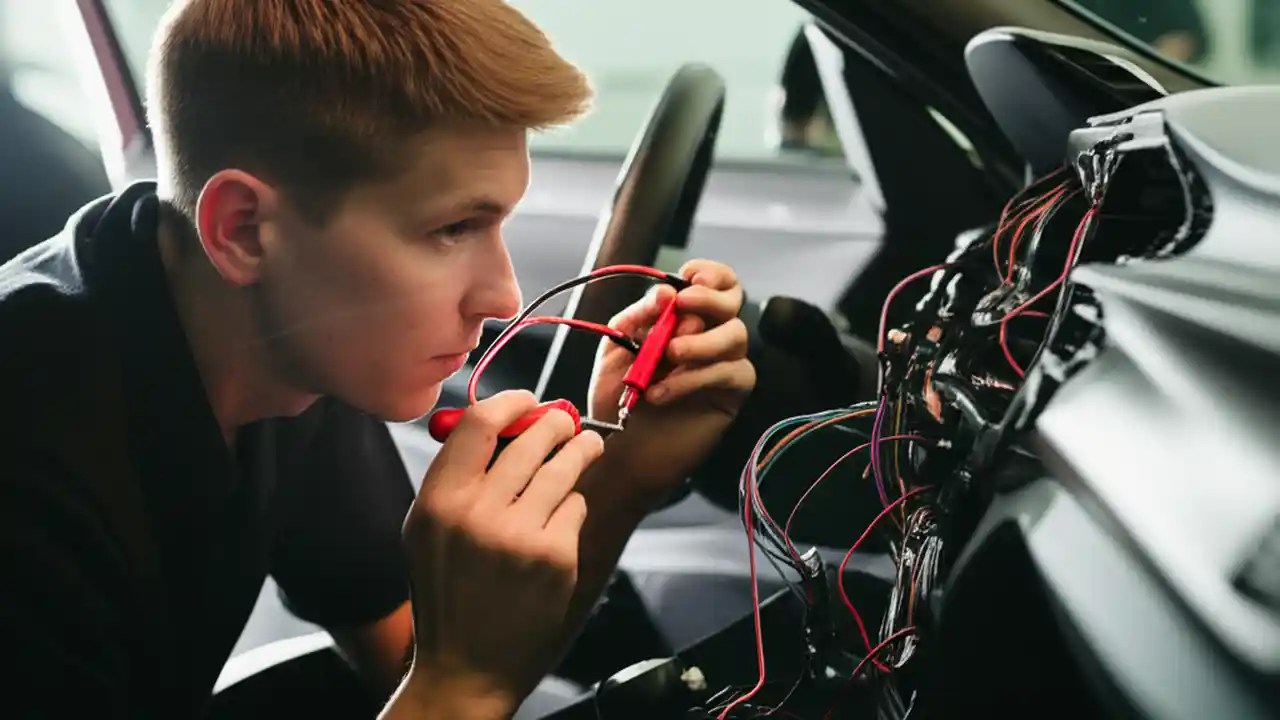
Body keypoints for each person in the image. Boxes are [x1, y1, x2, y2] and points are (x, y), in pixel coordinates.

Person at [0, 1, 755, 718]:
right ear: (242, 230)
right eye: (453, 227)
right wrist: (457, 684)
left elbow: (422, 662)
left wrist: (628, 472)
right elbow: (450, 681)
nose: (503, 294)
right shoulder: (33, 484)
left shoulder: (288, 349)